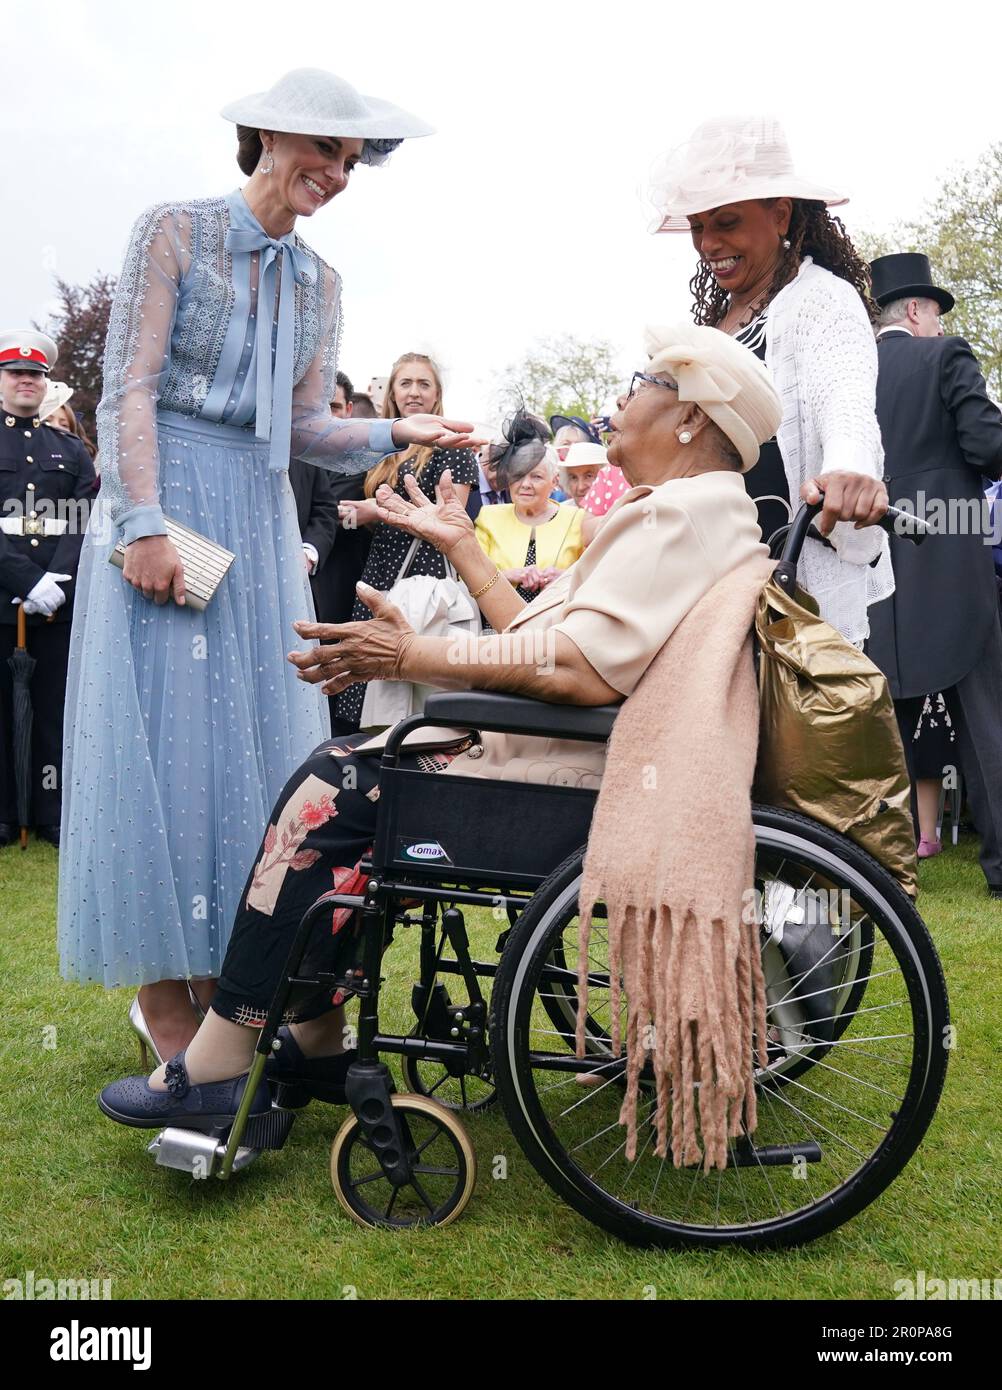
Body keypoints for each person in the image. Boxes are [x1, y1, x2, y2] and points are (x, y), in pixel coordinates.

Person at [96, 320, 783, 1129]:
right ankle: (312, 1034)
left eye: (641, 383)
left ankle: (221, 1062)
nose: (620, 397)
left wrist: (408, 656)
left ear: (691, 418)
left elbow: (580, 670)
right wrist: (468, 552)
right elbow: (553, 637)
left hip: (567, 773)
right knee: (341, 768)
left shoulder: (682, 516)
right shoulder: (683, 509)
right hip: (566, 752)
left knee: (333, 782)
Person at [58, 68, 478, 1068]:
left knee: (251, 759)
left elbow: (300, 426)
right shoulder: (172, 231)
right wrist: (144, 523)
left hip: (256, 513)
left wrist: (390, 426)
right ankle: (164, 995)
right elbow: (128, 387)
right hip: (164, 509)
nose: (333, 171)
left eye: (348, 158)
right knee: (162, 750)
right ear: (266, 136)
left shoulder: (320, 282)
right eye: (320, 149)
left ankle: (225, 988)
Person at [650, 114, 891, 643]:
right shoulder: (712, 323)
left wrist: (849, 467)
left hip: (787, 586)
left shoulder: (820, 300)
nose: (708, 242)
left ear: (780, 215)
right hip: (708, 583)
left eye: (726, 222)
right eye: (697, 226)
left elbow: (845, 395)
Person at [864, 253, 1002, 896]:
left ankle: (869, 864)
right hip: (949, 560)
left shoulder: (854, 374)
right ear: (918, 311)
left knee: (874, 719)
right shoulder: (946, 355)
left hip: (869, 565)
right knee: (985, 715)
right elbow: (987, 446)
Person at [332, 352, 477, 731]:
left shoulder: (454, 446)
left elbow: (449, 518)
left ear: (437, 394)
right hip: (379, 575)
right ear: (392, 392)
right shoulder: (380, 447)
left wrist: (373, 510)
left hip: (423, 581)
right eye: (406, 383)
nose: (414, 391)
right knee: (368, 697)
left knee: (414, 699)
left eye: (423, 383)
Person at [0, 331, 97, 848]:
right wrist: (25, 579)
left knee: (54, 711)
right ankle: (3, 812)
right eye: (15, 372)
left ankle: (50, 810)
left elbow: (84, 522)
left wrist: (56, 580)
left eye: (35, 373)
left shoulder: (70, 451)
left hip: (58, 601)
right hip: (4, 596)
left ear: (47, 383)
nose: (25, 380)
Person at [474, 409, 587, 600]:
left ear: (554, 481)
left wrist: (566, 578)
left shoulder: (577, 518)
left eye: (536, 476)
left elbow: (594, 576)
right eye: (518, 475)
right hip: (495, 623)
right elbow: (469, 575)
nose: (525, 484)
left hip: (556, 621)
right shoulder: (489, 516)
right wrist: (509, 576)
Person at [559, 440, 606, 507]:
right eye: (574, 477)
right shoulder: (559, 513)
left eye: (589, 476)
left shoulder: (621, 513)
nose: (580, 487)